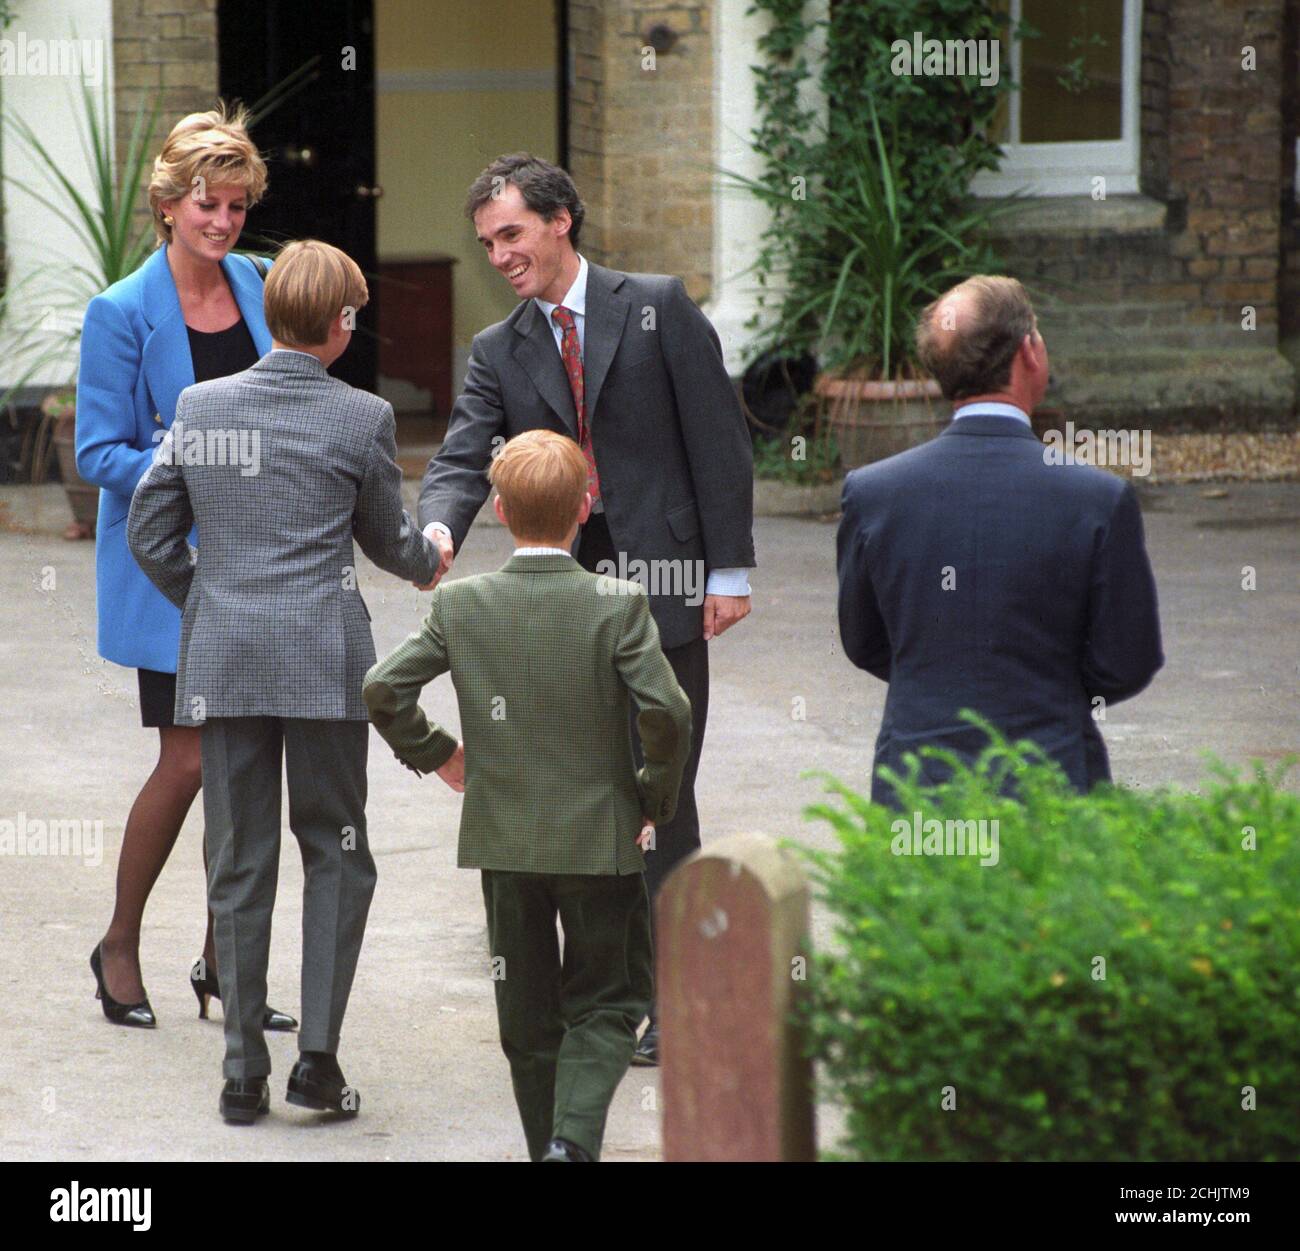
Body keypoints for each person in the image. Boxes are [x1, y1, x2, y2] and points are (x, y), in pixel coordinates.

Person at [415, 153, 754, 1064]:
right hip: (561, 595)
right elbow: (459, 456)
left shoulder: (658, 307)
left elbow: (718, 442)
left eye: (512, 234)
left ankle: (678, 1001)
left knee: (660, 791)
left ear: (562, 220)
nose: (499, 257)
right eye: (487, 243)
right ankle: (610, 993)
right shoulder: (498, 349)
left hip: (668, 582)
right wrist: (439, 533)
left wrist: (729, 569)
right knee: (587, 794)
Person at [127, 240, 439, 1124]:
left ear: (270, 316)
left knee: (239, 858)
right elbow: (392, 544)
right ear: (340, 323)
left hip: (226, 658)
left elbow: (151, 533)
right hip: (323, 656)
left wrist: (214, 600)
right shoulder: (362, 417)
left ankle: (240, 1071)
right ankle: (318, 1061)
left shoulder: (202, 403)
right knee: (336, 850)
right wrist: (434, 553)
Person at [365, 429, 692, 1161]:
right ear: (585, 505)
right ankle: (572, 1143)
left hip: (504, 843)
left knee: (526, 1013)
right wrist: (652, 797)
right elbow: (667, 711)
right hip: (601, 841)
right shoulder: (618, 601)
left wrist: (441, 753)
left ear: (503, 512)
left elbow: (383, 688)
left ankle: (551, 1142)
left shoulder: (464, 604)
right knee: (610, 999)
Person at [76, 103, 294, 1031]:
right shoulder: (121, 311)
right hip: (172, 572)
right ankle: (119, 942)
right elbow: (97, 451)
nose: (223, 222)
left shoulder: (259, 283)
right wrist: (194, 471)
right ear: (168, 203)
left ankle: (226, 965)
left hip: (263, 565)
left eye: (237, 206)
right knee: (192, 758)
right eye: (207, 204)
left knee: (248, 767)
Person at [837, 275, 1164, 806]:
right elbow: (1127, 659)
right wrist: (1048, 691)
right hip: (1050, 777)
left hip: (916, 779)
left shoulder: (874, 493)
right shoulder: (1096, 498)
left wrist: (940, 679)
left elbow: (865, 640)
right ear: (1029, 351)